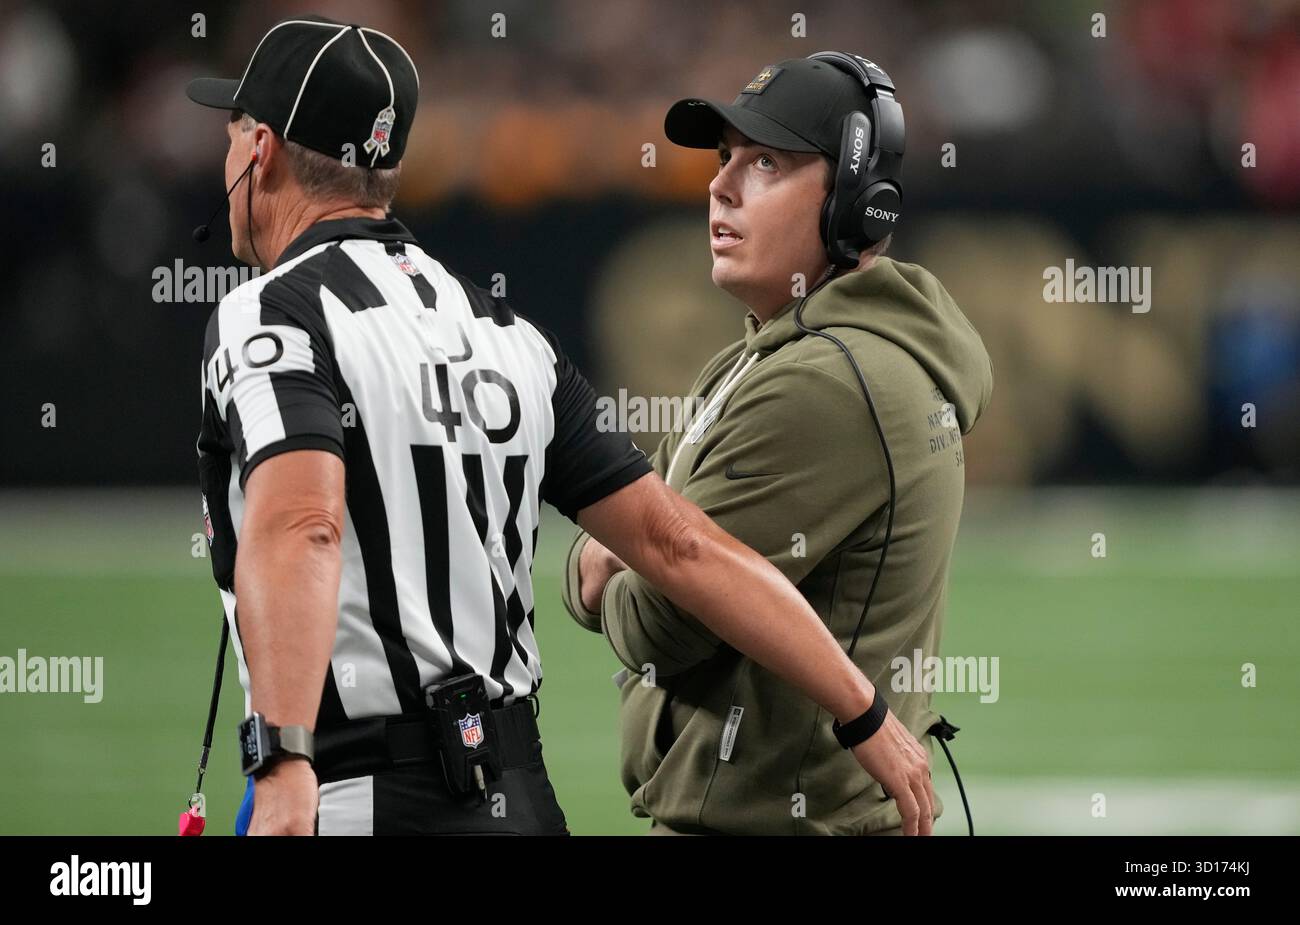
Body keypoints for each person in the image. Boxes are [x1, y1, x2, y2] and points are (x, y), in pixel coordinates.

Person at [187, 20, 934, 835]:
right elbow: (680, 544)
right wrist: (864, 711)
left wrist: (288, 761)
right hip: (516, 795)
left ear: (259, 149)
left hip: (357, 787)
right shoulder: (507, 333)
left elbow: (304, 527)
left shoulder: (269, 311)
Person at [563, 53, 993, 834]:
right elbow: (640, 525)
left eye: (766, 163)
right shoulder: (769, 356)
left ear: (858, 205)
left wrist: (606, 572)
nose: (719, 186)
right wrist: (630, 546)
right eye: (725, 158)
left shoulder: (824, 382)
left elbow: (662, 622)